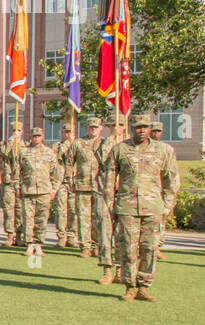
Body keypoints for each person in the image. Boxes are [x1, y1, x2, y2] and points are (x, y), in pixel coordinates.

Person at [103, 115, 176, 301]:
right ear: (131, 128)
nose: (142, 131)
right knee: (128, 248)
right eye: (138, 127)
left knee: (149, 248)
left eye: (145, 127)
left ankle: (144, 286)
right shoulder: (120, 149)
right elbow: (109, 180)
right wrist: (111, 205)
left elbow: (171, 180)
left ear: (150, 128)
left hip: (153, 208)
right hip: (127, 208)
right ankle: (130, 286)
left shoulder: (163, 150)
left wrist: (167, 205)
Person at [19, 125, 62, 255]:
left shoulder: (49, 153)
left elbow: (57, 173)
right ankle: (29, 244)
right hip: (28, 190)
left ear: (42, 137)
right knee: (28, 218)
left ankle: (38, 244)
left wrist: (54, 189)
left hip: (44, 191)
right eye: (34, 136)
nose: (36, 138)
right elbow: (17, 172)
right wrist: (18, 187)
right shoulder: (24, 152)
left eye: (38, 136)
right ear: (31, 137)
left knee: (42, 219)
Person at [89, 117, 119, 284]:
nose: (117, 128)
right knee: (104, 232)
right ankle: (107, 270)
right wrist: (113, 138)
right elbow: (102, 158)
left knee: (123, 236)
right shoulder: (103, 143)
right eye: (114, 125)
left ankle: (122, 270)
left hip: (125, 195)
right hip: (104, 192)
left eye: (120, 125)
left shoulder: (131, 145)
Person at [71, 118, 103, 260]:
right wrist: (71, 179)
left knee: (98, 218)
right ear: (86, 128)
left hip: (100, 186)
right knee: (83, 218)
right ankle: (85, 246)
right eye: (91, 127)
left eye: (96, 127)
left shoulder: (105, 144)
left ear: (101, 128)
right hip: (82, 185)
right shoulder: (78, 143)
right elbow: (68, 163)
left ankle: (96, 246)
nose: (93, 129)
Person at [150, 121, 180, 260]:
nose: (155, 133)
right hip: (147, 192)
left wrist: (170, 197)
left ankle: (156, 247)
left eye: (158, 131)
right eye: (153, 130)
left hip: (161, 192)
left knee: (161, 221)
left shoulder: (166, 149)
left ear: (162, 132)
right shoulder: (142, 148)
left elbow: (172, 174)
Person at [0, 121, 25, 245]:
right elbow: (4, 153)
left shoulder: (26, 146)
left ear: (22, 132)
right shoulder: (5, 144)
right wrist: (11, 140)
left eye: (18, 131)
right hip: (9, 182)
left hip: (21, 182)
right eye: (14, 130)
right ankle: (10, 235)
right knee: (8, 210)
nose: (16, 133)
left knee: (20, 210)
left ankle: (19, 235)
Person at [53, 123, 78, 247]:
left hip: (73, 182)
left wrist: (73, 143)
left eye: (70, 132)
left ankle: (71, 236)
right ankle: (61, 236)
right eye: (65, 132)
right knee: (61, 211)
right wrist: (68, 143)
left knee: (73, 211)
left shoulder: (79, 145)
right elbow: (57, 157)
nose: (67, 135)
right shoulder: (57, 146)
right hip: (61, 182)